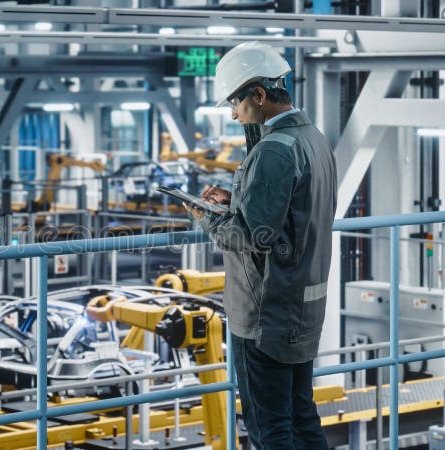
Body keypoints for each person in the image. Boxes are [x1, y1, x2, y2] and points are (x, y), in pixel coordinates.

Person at [185, 41, 337, 449]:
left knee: (269, 427)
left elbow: (251, 238)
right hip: (302, 304)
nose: (234, 114)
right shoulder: (313, 139)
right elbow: (293, 210)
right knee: (302, 417)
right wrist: (237, 202)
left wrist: (205, 216)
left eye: (235, 102)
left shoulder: (272, 149)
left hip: (264, 314)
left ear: (259, 94)